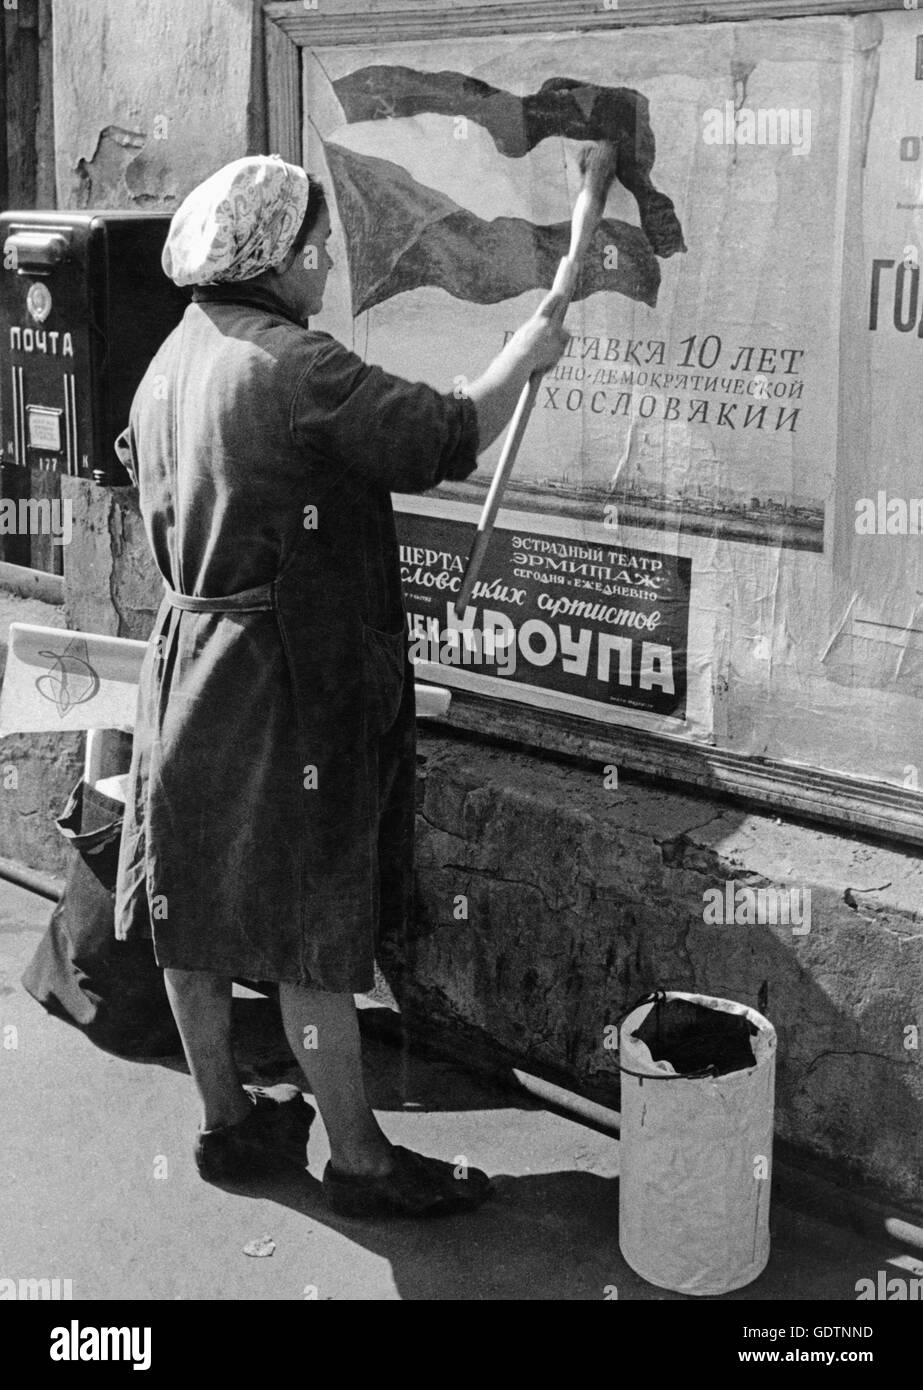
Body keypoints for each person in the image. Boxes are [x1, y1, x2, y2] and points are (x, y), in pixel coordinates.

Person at [114, 154, 568, 1218]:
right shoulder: (294, 365)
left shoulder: (174, 355)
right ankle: (359, 1160)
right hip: (286, 681)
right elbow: (442, 434)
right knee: (306, 924)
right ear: (274, 255)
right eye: (316, 243)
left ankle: (228, 1122)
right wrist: (522, 351)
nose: (326, 260)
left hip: (187, 664)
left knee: (195, 905)